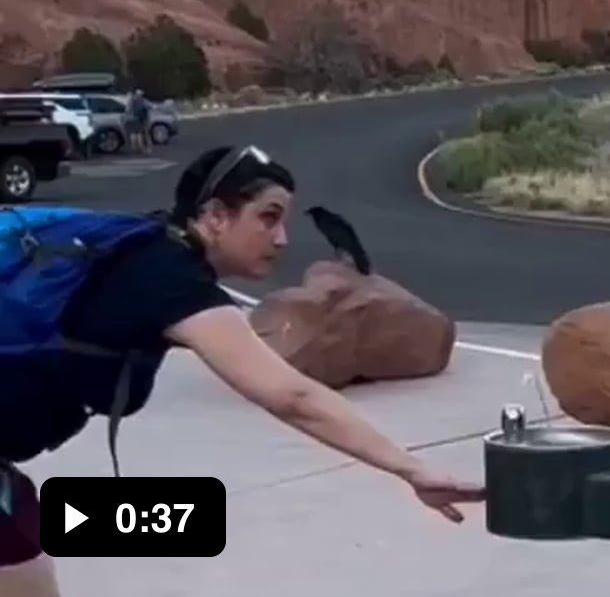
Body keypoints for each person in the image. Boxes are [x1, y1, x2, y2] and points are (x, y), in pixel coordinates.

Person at [0, 145, 486, 596]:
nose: (282, 238)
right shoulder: (170, 281)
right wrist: (412, 469)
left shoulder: (147, 252)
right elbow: (294, 397)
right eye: (267, 218)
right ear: (214, 217)